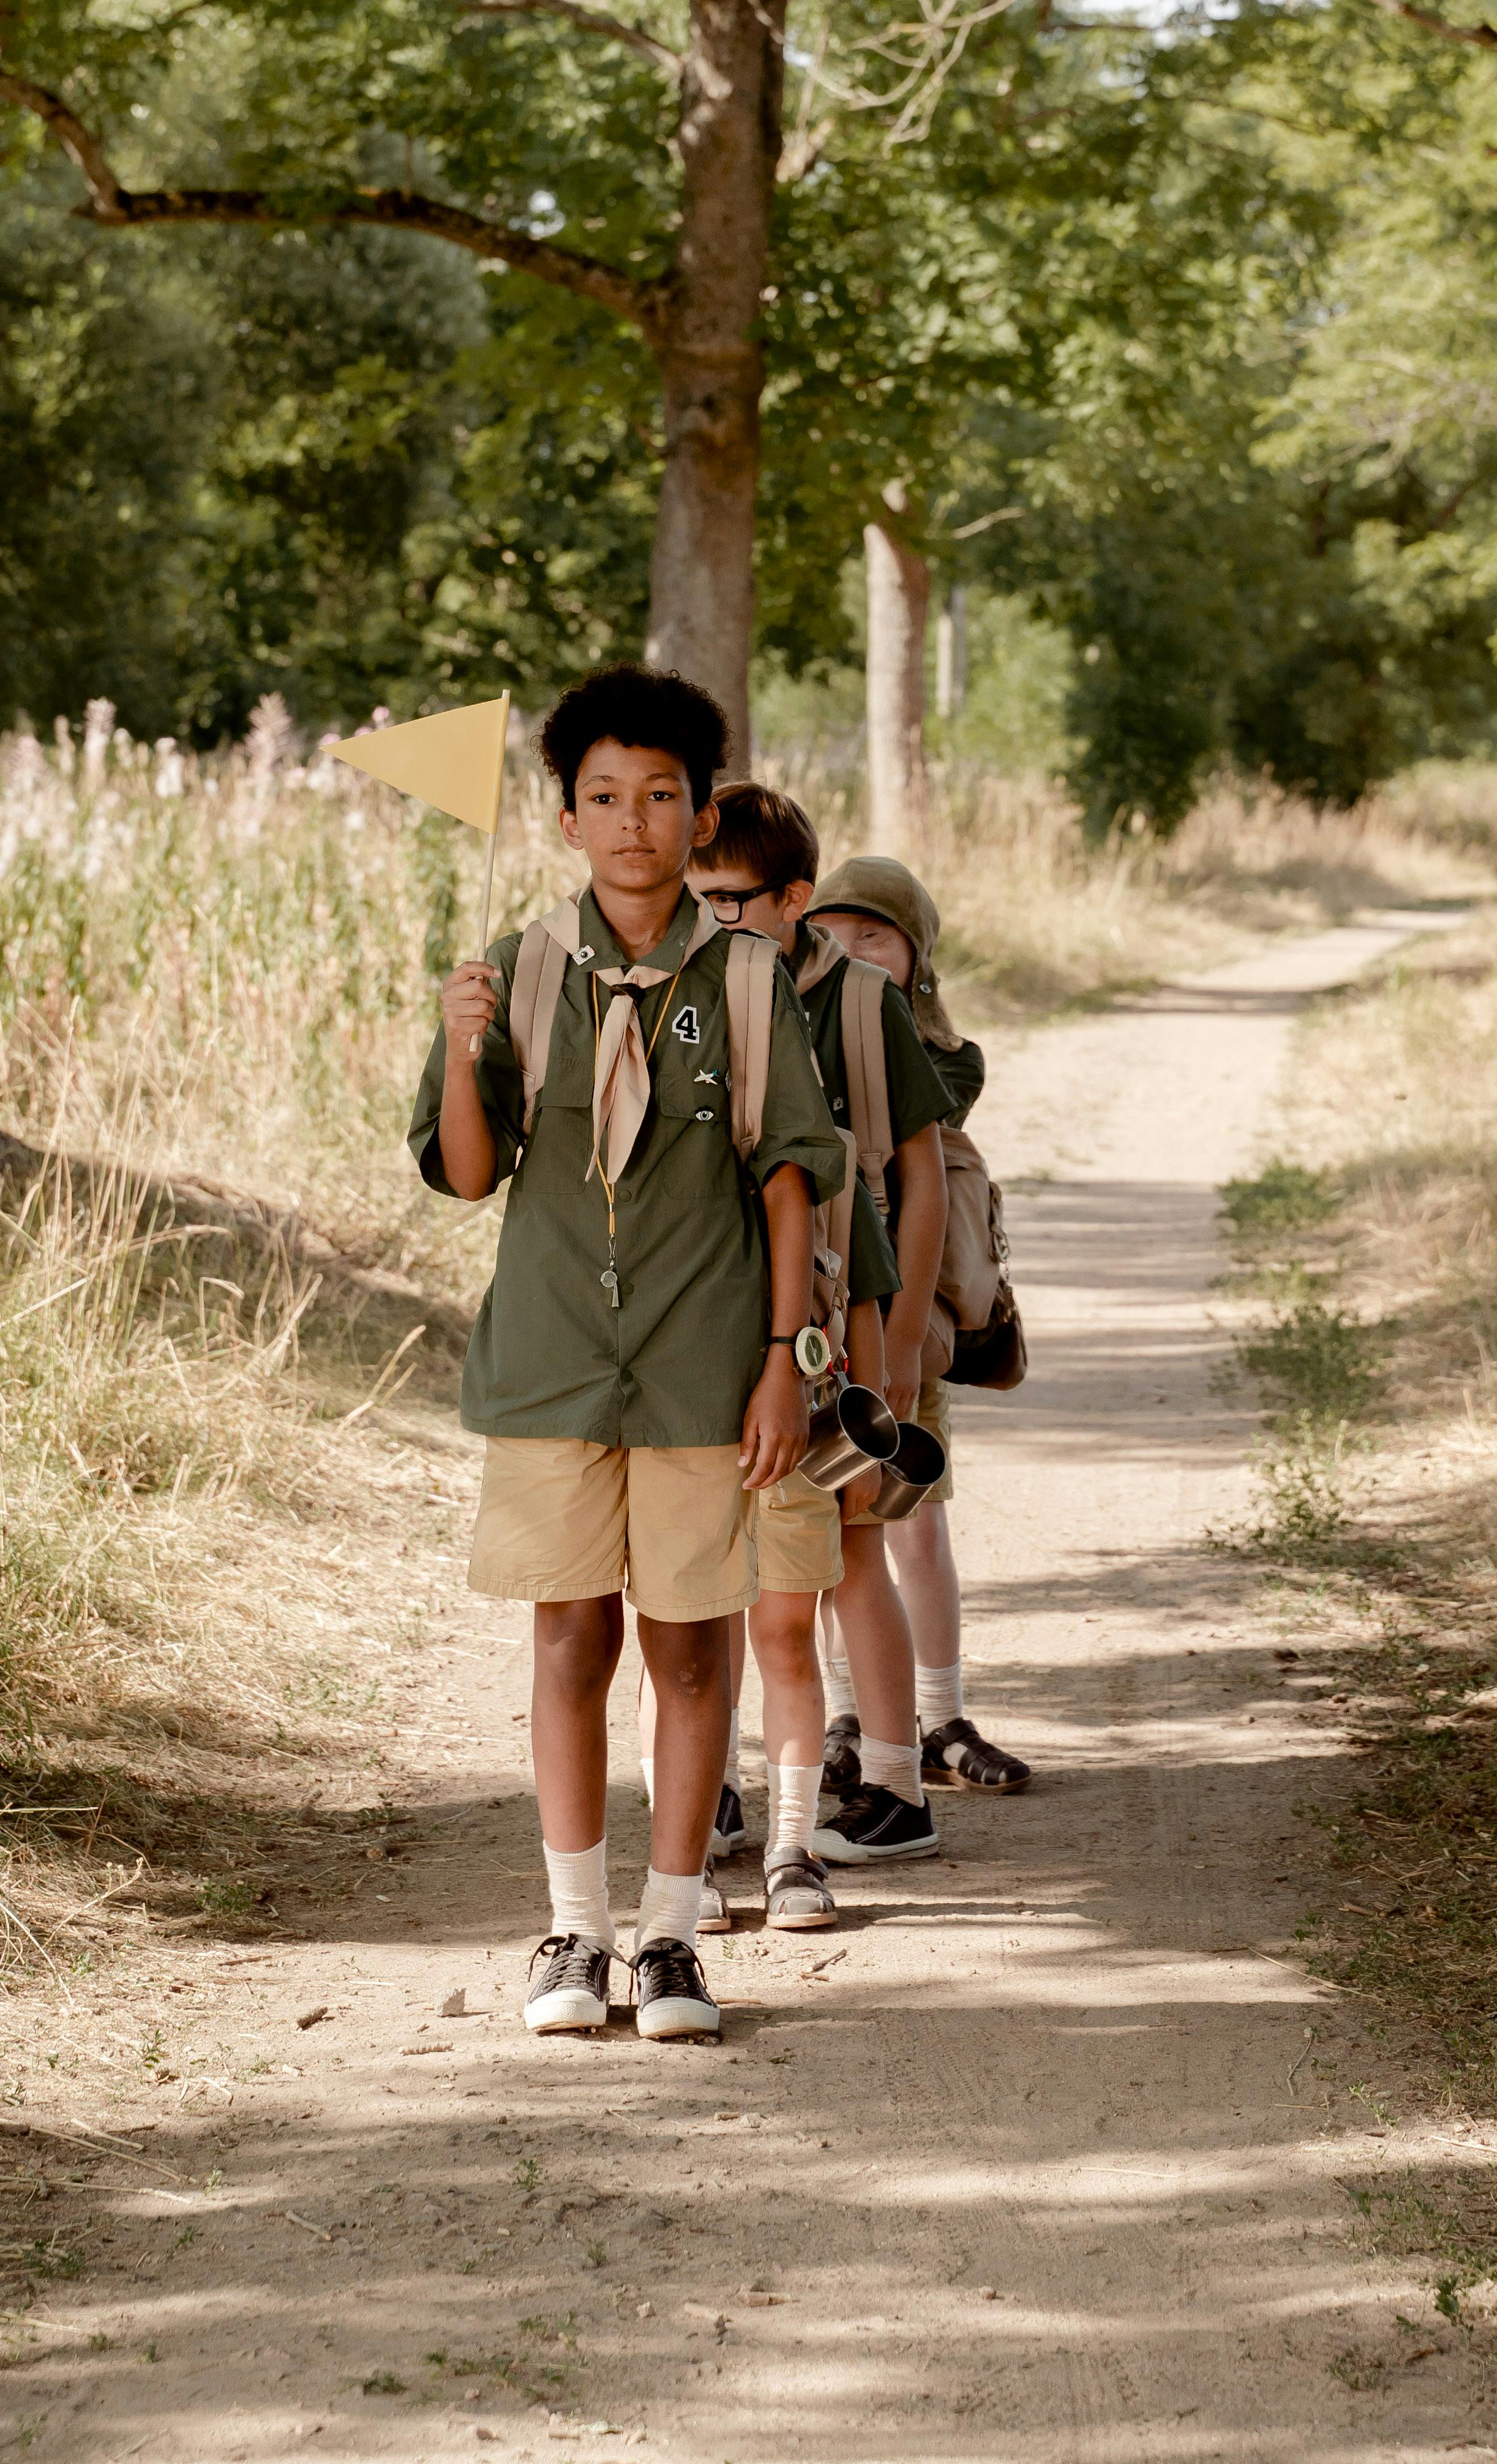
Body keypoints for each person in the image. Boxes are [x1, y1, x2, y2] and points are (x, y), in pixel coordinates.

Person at [410, 668, 847, 2042]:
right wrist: (458, 1045)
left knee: (692, 1648)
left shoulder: (747, 979)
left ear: (699, 811)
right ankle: (570, 1931)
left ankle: (669, 1939)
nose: (632, 823)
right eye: (603, 798)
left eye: (660, 797)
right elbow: (470, 1174)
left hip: (700, 1356)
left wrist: (782, 1357)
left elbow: (786, 1178)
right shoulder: (525, 963)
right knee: (565, 1635)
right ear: (564, 820)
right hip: (550, 1355)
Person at [697, 782, 958, 1869]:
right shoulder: (681, 987)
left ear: (791, 900)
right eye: (692, 895)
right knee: (698, 1559)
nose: (705, 916)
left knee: (854, 1549)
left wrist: (897, 1352)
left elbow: (921, 1173)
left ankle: (896, 1785)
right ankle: (705, 1788)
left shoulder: (856, 1000)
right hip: (717, 1323)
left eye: (729, 899)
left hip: (844, 1328)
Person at [806, 853, 1034, 1798]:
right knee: (824, 1529)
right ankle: (846, 1715)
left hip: (900, 1316)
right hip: (812, 1317)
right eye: (832, 934)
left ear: (917, 958)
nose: (852, 952)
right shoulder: (789, 1028)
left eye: (876, 938)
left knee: (915, 1525)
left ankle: (941, 1715)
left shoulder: (944, 1057)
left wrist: (901, 1339)